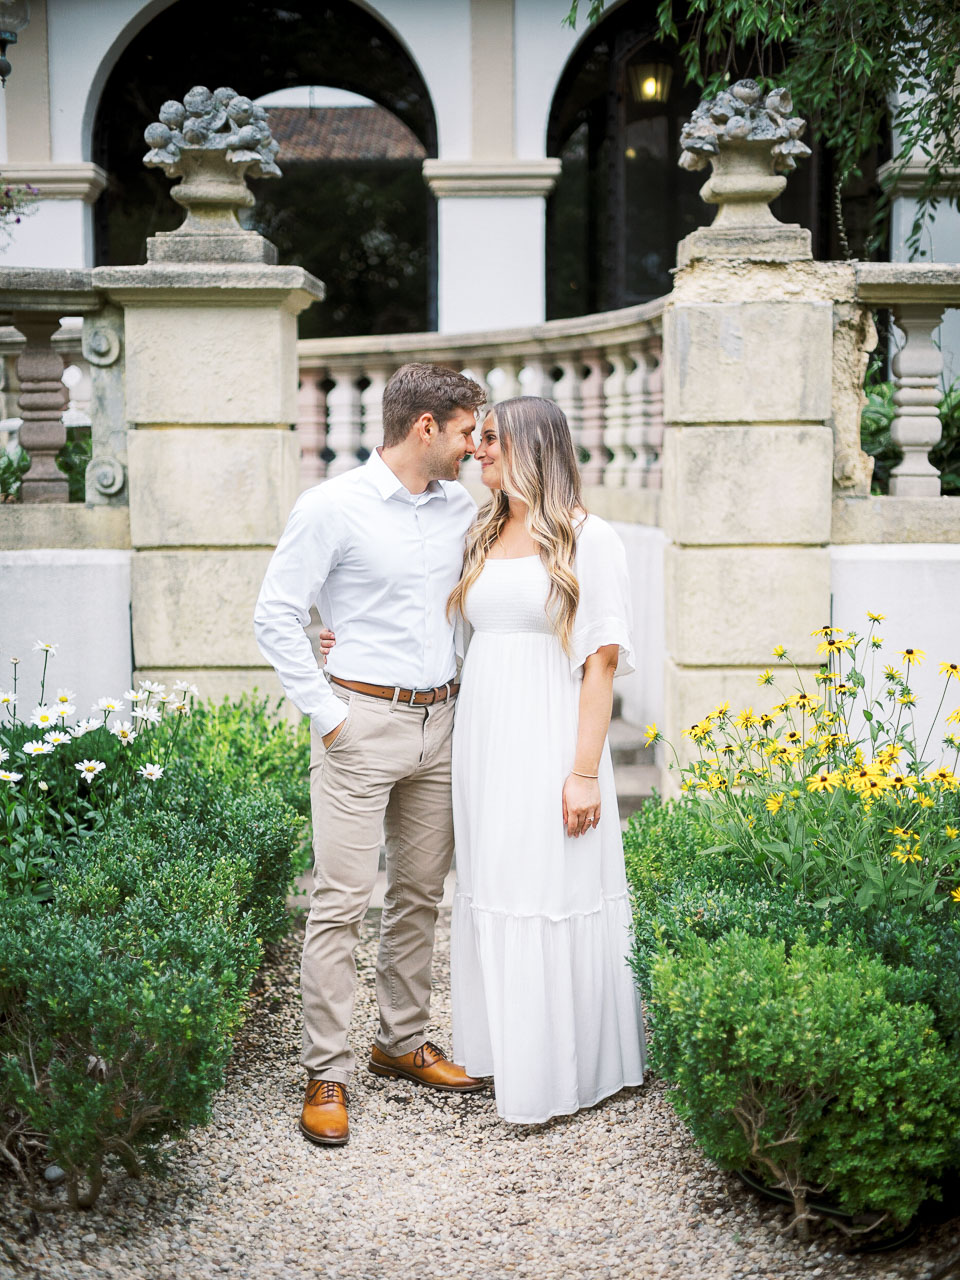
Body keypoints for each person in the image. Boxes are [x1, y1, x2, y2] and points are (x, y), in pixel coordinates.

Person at [254, 363, 489, 1149]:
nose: (473, 445)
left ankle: (400, 1040)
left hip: (442, 722)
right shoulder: (331, 507)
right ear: (426, 427)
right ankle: (327, 1070)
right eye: (465, 431)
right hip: (359, 724)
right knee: (341, 902)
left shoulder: (462, 505)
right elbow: (276, 614)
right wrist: (328, 716)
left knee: (421, 893)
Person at [447, 396, 646, 1123]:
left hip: (550, 735)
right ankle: (508, 1054)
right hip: (485, 739)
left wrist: (583, 771)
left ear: (531, 445)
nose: (478, 450)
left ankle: (565, 1071)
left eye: (492, 439)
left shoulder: (590, 539)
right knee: (495, 885)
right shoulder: (482, 529)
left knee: (551, 886)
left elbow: (601, 660)